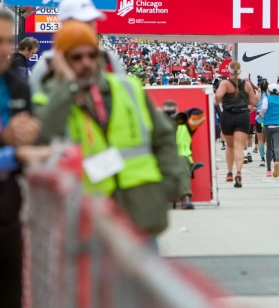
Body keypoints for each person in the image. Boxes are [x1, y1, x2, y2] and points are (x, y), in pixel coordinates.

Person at [34, 21, 183, 239]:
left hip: (141, 211)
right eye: (76, 57)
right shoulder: (47, 99)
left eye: (91, 55)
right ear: (61, 60)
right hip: (86, 219)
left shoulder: (128, 87)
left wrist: (169, 185)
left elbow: (163, 137)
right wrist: (69, 86)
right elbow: (44, 134)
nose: (86, 63)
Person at [0, 8, 46, 308]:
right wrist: (10, 143)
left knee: (11, 292)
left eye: (8, 41)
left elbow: (31, 134)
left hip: (7, 209)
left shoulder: (16, 84)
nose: (5, 49)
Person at [30, 0, 126, 96]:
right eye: (82, 22)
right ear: (64, 23)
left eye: (91, 21)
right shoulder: (46, 65)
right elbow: (37, 108)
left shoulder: (109, 59)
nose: (89, 27)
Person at [215, 61, 256, 188]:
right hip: (243, 116)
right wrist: (247, 108)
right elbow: (253, 102)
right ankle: (239, 172)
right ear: (240, 71)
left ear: (229, 71)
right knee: (239, 147)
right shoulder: (247, 85)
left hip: (228, 116)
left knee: (230, 146)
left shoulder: (225, 83)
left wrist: (221, 102)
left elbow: (218, 96)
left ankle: (229, 172)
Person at [161, 100, 206, 210]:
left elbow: (200, 114)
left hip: (181, 157)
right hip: (161, 158)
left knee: (180, 161)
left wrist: (184, 114)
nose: (170, 115)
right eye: (168, 113)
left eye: (173, 112)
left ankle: (186, 198)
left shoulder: (186, 125)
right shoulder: (157, 124)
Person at [259, 83, 279, 178]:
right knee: (277, 146)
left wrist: (261, 114)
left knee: (269, 147)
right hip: (278, 126)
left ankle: (268, 169)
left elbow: (263, 108)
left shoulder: (266, 99)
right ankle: (277, 162)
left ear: (269, 91)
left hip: (267, 126)